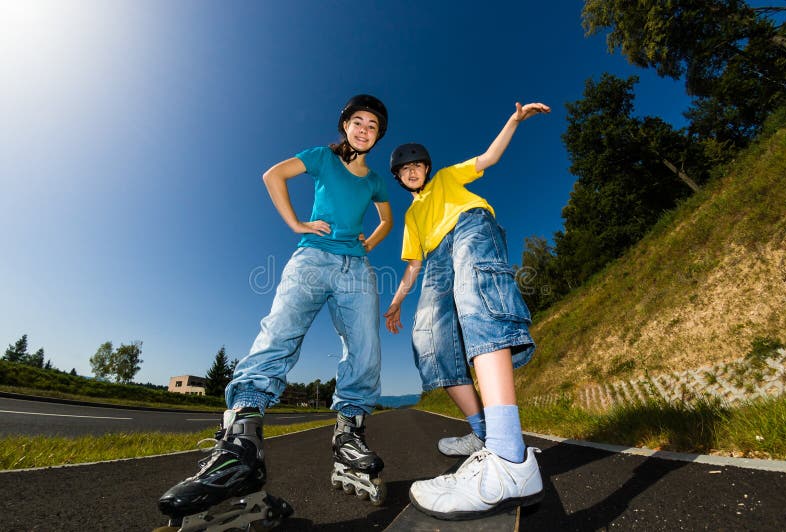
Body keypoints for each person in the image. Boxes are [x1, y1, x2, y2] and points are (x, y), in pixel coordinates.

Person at [158, 94, 393, 521]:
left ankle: (349, 435)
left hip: (356, 269)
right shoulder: (322, 157)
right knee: (280, 333)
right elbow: (273, 175)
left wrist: (369, 244)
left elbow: (387, 219)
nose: (363, 128)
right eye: (356, 121)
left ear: (377, 136)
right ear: (345, 126)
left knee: (366, 347)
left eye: (372, 125)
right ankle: (240, 446)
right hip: (312, 258)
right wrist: (296, 224)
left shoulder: (374, 180)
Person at [384, 101, 550, 520]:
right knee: (429, 339)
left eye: (416, 166)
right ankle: (483, 433)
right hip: (434, 258)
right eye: (404, 171)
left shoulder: (446, 178)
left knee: (475, 295)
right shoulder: (411, 217)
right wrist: (397, 301)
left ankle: (509, 457)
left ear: (425, 166)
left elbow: (490, 158)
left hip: (469, 227)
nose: (412, 173)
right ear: (401, 180)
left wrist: (513, 119)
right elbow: (413, 266)